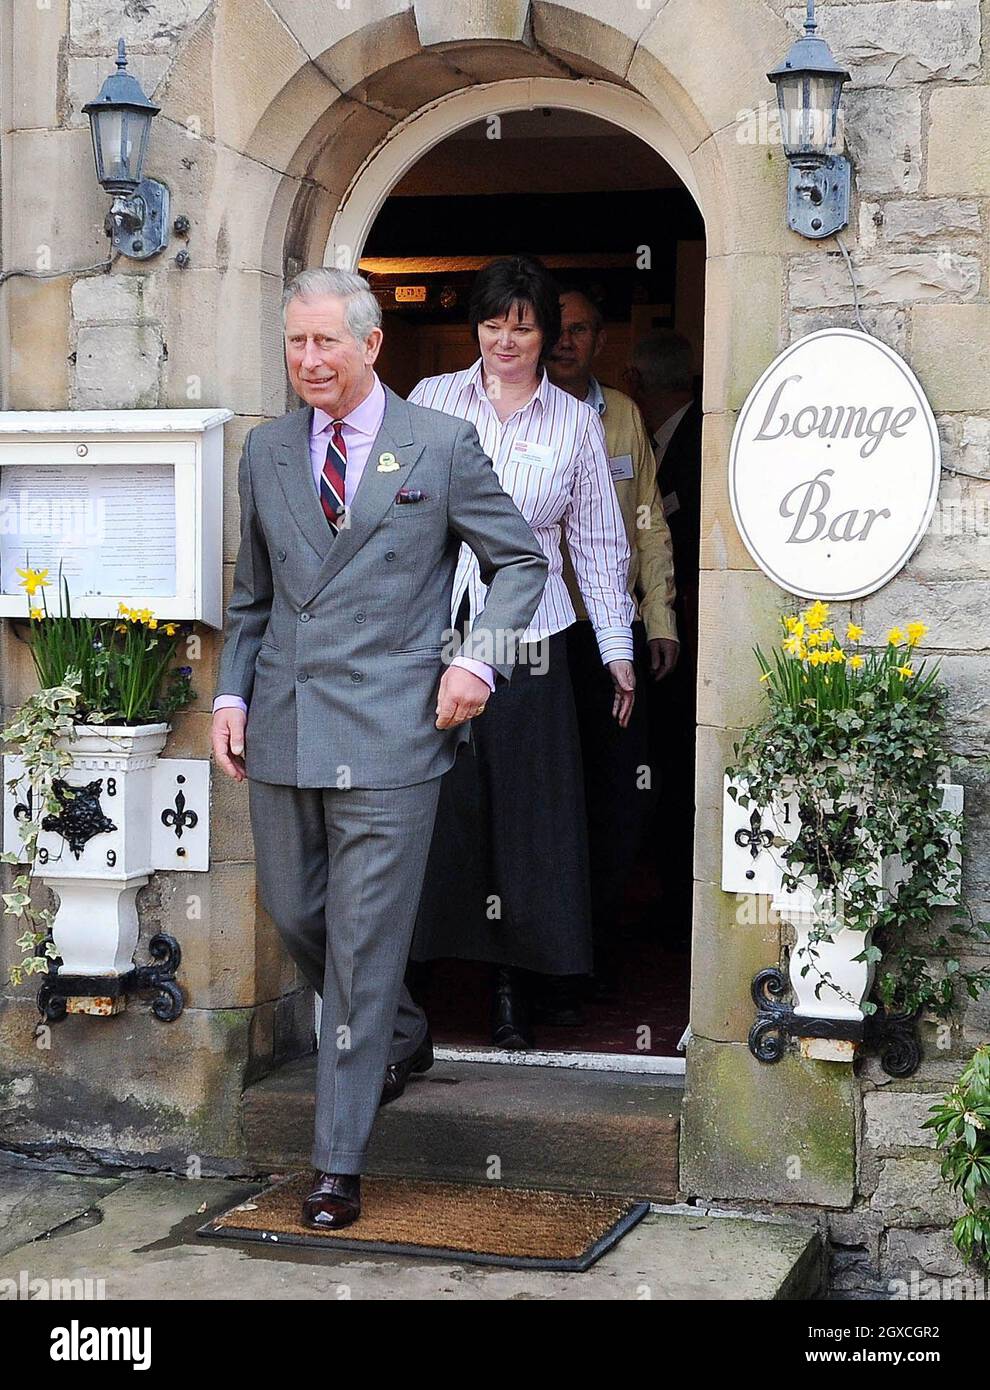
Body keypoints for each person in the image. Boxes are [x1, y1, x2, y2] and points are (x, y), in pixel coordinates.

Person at [211, 267, 548, 1230]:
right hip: (281, 726)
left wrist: (477, 665)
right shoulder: (268, 451)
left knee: (361, 947)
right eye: (294, 343)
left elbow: (521, 562)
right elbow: (253, 598)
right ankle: (403, 1027)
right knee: (295, 913)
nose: (307, 360)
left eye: (325, 342)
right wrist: (231, 694)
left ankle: (337, 1161)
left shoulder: (439, 445)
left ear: (371, 345)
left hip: (397, 735)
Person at [408, 255, 637, 1045]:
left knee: (528, 821)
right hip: (438, 635)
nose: (507, 339)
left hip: (535, 641)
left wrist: (617, 648)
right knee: (436, 811)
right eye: (494, 322)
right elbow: (389, 523)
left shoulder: (575, 421)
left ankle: (517, 987)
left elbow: (601, 545)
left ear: (547, 334)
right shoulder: (431, 402)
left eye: (524, 325)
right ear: (476, 326)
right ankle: (414, 981)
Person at [547, 288, 679, 990]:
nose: (565, 341)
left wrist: (659, 618)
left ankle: (595, 941)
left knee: (621, 791)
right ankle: (547, 953)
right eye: (556, 328)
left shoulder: (622, 417)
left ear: (602, 341)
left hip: (612, 637)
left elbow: (652, 526)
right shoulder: (521, 414)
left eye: (580, 329)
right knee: (549, 792)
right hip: (540, 635)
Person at [625, 328, 703, 929]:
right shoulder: (651, 436)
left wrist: (666, 617)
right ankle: (670, 899)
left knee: (677, 766)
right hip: (657, 630)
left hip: (690, 630)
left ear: (643, 384)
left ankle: (681, 906)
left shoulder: (703, 438)